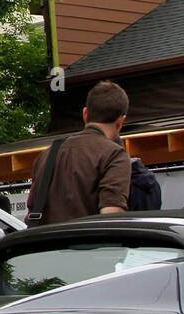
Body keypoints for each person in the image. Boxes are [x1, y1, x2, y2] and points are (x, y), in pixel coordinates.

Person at [27, 80, 131, 225]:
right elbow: (111, 214)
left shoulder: (48, 153)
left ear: (85, 113)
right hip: (89, 245)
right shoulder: (115, 154)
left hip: (45, 245)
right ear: (120, 122)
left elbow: (32, 208)